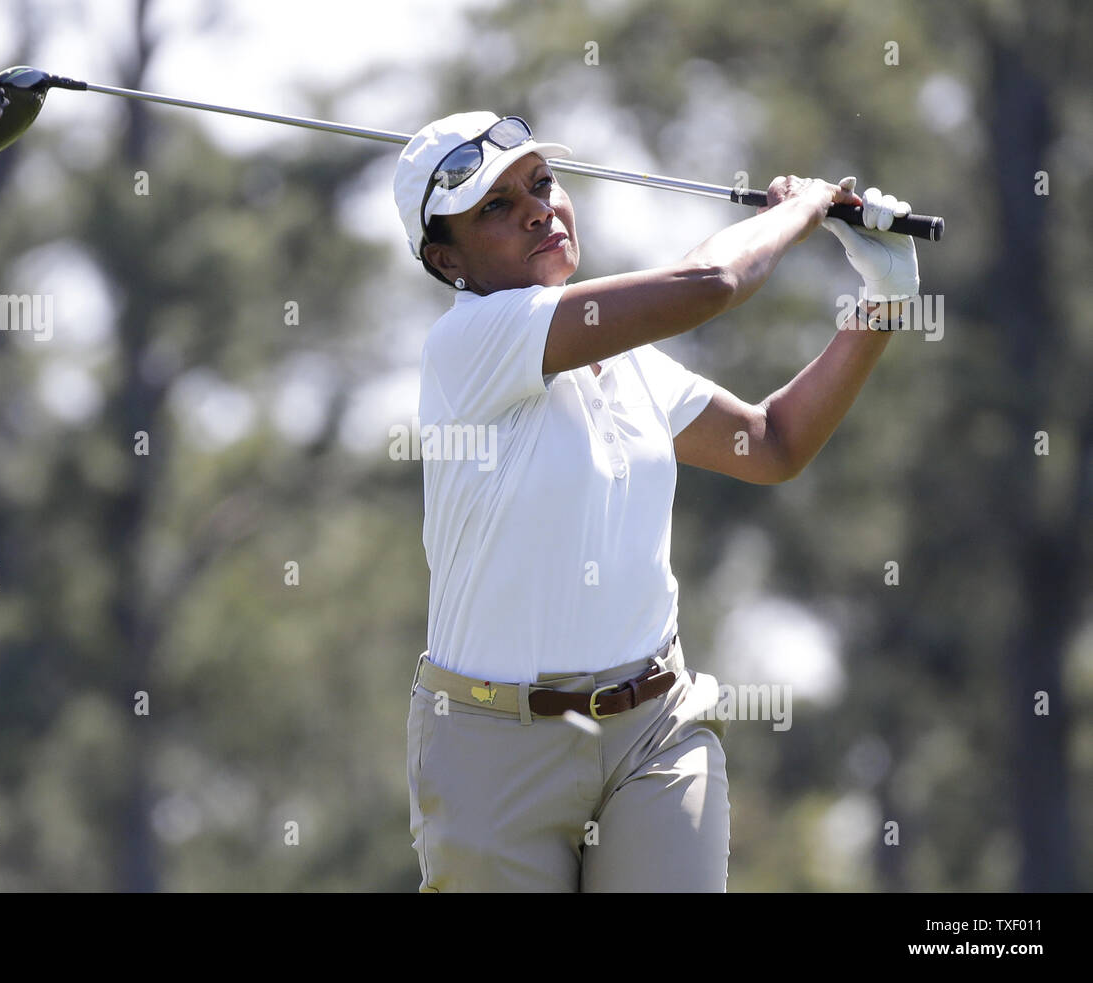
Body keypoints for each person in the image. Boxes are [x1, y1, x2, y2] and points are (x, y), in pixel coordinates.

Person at [392, 111, 919, 892]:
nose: (538, 209)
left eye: (541, 184)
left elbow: (772, 443)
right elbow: (712, 283)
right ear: (447, 260)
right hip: (492, 749)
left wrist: (883, 301)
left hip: (654, 730)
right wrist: (798, 211)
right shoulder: (467, 345)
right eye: (494, 207)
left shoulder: (627, 359)